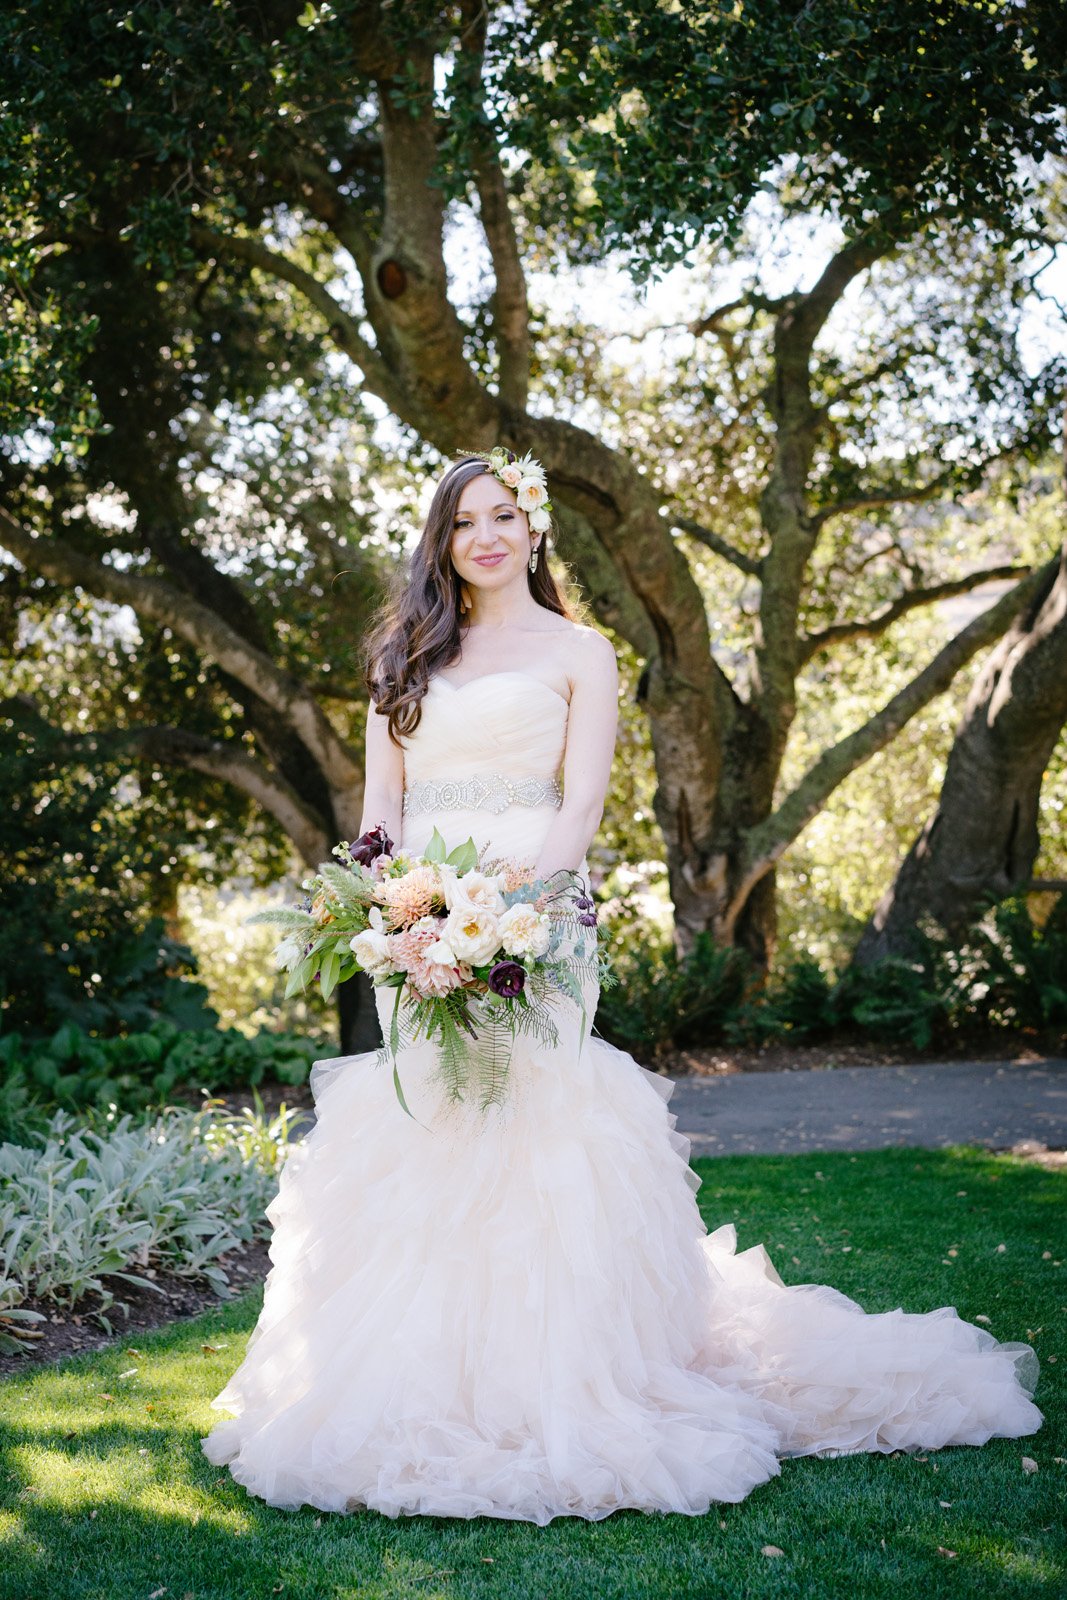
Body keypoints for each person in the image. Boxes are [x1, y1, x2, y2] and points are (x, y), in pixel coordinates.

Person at [201, 447, 1043, 1524]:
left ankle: (561, 1380)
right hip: (414, 936)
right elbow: (378, 809)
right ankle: (428, 1384)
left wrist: (512, 921)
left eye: (504, 514)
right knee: (432, 1138)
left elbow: (583, 798)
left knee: (537, 1140)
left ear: (533, 527)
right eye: (464, 522)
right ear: (440, 541)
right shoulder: (401, 655)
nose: (487, 536)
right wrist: (396, 910)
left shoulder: (579, 651)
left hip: (534, 924)